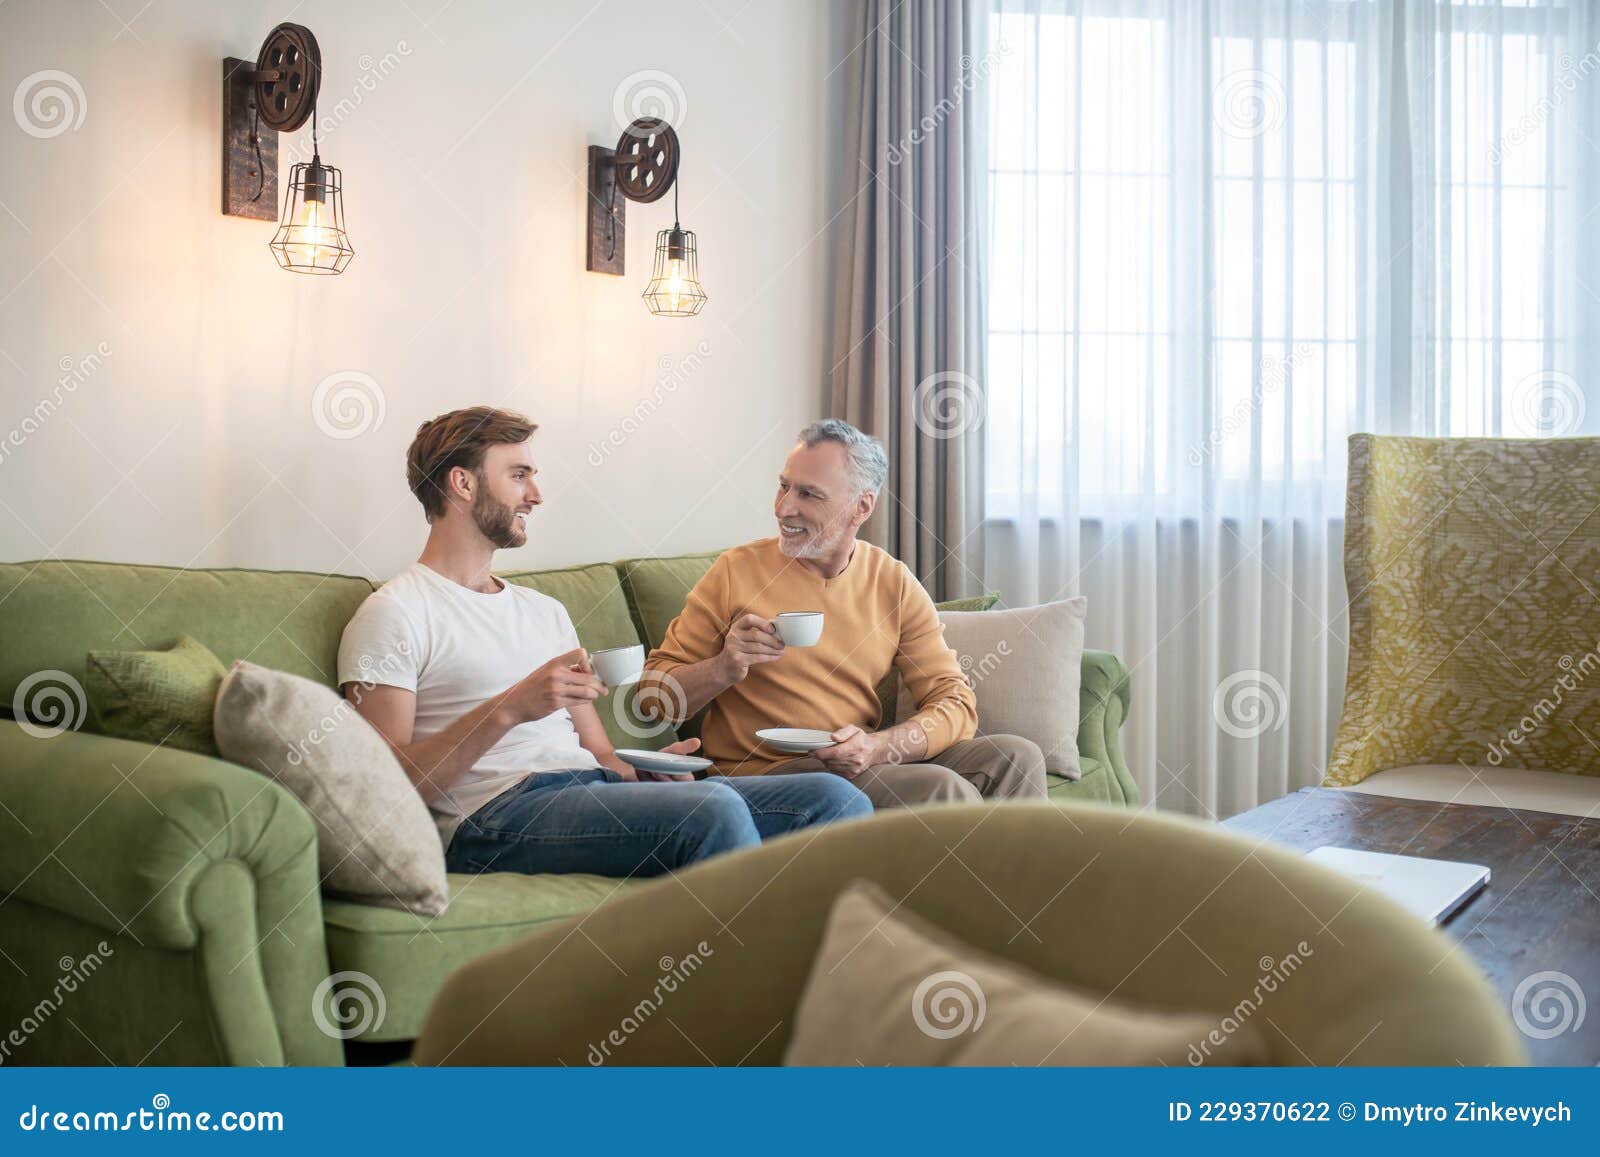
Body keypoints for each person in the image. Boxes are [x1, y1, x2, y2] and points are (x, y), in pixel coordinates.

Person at [338, 406, 871, 879]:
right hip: (490, 817)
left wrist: (643, 771)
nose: (537, 495)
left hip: (588, 789)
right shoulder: (395, 613)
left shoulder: (542, 611)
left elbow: (597, 754)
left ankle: (829, 979)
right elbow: (383, 793)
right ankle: (751, 987)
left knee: (833, 798)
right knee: (712, 811)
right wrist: (507, 710)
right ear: (462, 483)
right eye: (519, 475)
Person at [641, 418, 1047, 808]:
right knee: (938, 788)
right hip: (766, 776)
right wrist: (723, 667)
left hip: (854, 762)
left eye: (809, 494)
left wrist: (879, 747)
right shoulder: (736, 571)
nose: (784, 509)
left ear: (861, 507)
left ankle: (1013, 881)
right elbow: (652, 699)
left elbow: (955, 702)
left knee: (1017, 760)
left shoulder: (893, 582)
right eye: (784, 487)